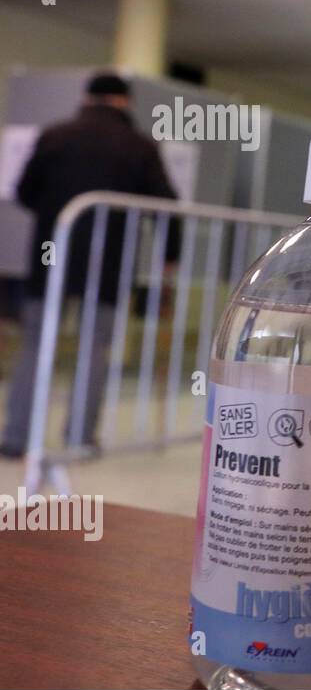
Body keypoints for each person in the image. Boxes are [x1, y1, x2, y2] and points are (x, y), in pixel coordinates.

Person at [1, 72, 178, 459]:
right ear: (125, 102)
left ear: (85, 97)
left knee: (35, 345)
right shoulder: (139, 147)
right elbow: (166, 205)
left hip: (51, 253)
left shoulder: (55, 135)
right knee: (94, 348)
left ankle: (16, 437)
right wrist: (170, 256)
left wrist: (55, 217)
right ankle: (80, 438)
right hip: (109, 262)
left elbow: (24, 190)